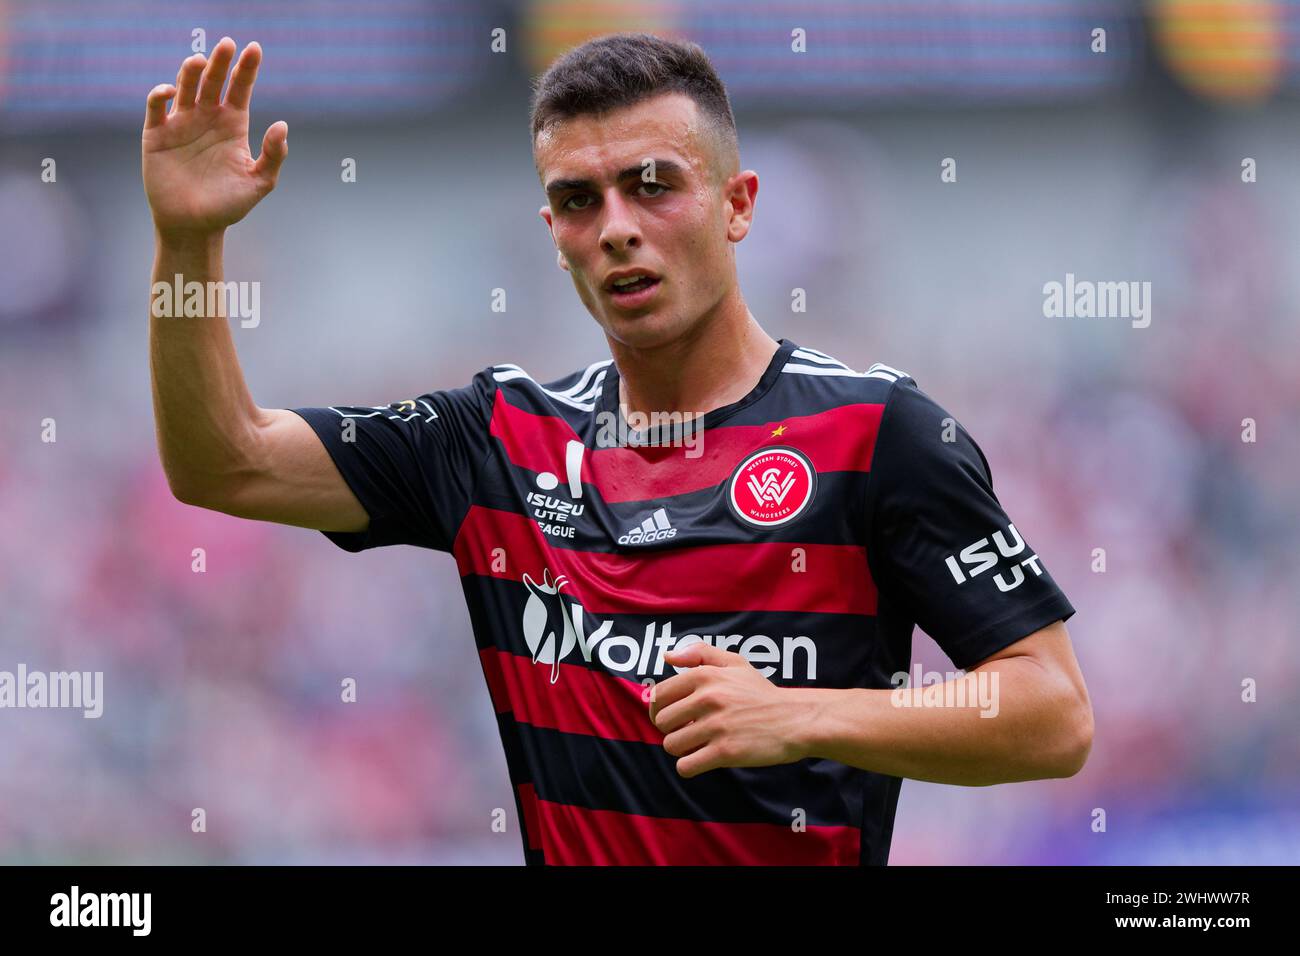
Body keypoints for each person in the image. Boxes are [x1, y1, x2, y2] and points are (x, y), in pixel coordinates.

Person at [143, 31, 1092, 865]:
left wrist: (801, 715)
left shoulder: (881, 433)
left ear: (738, 203)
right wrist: (188, 244)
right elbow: (225, 460)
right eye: (580, 200)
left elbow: (1052, 713)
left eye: (653, 186)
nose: (620, 229)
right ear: (553, 234)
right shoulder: (497, 438)